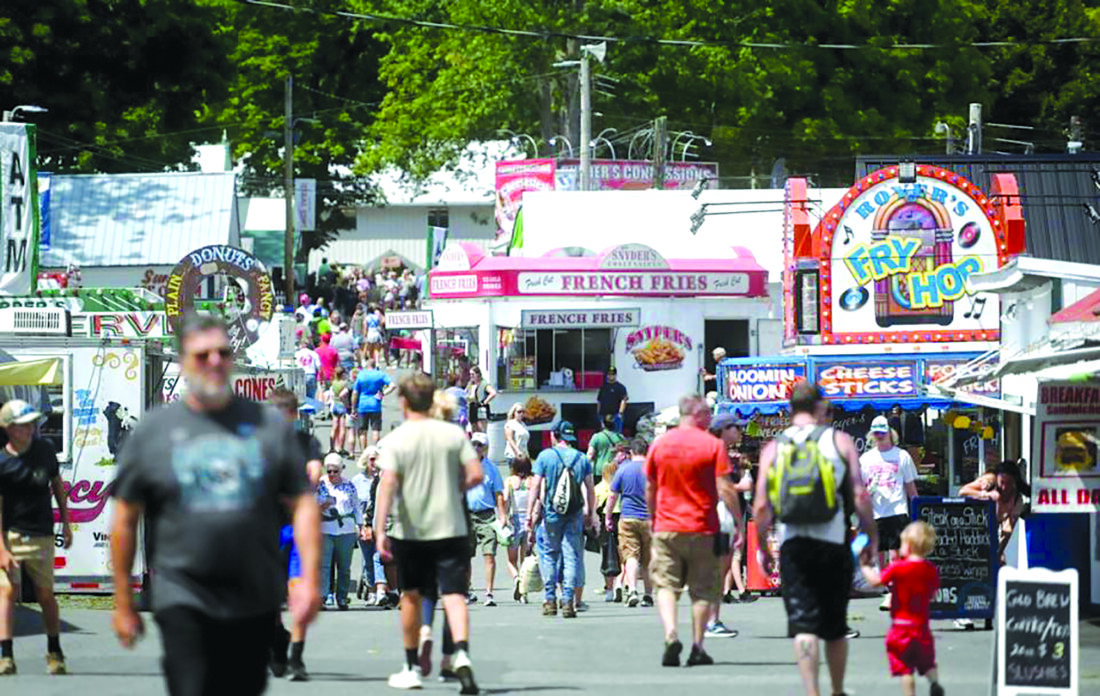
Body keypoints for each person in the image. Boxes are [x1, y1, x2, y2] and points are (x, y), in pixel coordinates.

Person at [110, 312, 321, 696]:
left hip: (253, 592)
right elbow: (125, 517)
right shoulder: (154, 431)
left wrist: (307, 579)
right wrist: (123, 598)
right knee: (193, 686)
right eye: (202, 354)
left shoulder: (267, 427)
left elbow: (303, 504)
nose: (214, 362)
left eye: (222, 353)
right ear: (184, 361)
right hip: (182, 590)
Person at [753, 381, 876, 696]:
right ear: (820, 407)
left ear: (790, 409)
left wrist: (762, 547)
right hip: (833, 542)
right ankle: (837, 690)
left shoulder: (773, 448)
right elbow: (860, 495)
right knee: (835, 625)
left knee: (804, 626)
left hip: (793, 544)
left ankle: (812, 692)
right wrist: (869, 536)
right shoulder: (840, 441)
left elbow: (762, 505)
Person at [373, 373, 482, 693]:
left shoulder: (396, 439)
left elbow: (388, 485)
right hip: (451, 526)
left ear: (403, 402)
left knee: (411, 595)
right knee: (454, 594)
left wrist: (380, 529)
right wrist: (455, 489)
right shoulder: (453, 434)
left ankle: (410, 666)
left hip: (411, 529)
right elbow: (475, 474)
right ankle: (461, 652)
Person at [645, 395, 743, 667]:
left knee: (665, 584)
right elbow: (725, 487)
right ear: (697, 413)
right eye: (708, 413)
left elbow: (650, 487)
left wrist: (654, 518)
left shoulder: (660, 444)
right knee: (702, 590)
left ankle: (671, 633)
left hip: (667, 525)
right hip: (703, 526)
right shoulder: (712, 445)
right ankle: (698, 646)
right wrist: (738, 522)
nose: (711, 417)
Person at [0, 399, 72, 676]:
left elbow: (56, 485)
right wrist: (2, 548)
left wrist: (65, 523)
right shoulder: (3, 462)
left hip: (41, 533)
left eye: (31, 424)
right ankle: (6, 655)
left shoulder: (45, 450)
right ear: (8, 429)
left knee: (44, 594)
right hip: (10, 535)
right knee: (7, 592)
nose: (29, 429)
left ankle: (54, 651)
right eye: (22, 425)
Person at [268, 387, 323, 681]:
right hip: (291, 524)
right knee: (292, 591)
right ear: (294, 413)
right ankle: (292, 653)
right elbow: (314, 473)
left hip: (275, 526)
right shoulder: (305, 441)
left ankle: (285, 647)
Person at [859, 521, 945, 696]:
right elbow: (933, 594)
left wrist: (865, 568)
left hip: (901, 627)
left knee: (906, 668)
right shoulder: (930, 569)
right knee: (927, 662)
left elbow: (877, 581)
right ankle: (934, 681)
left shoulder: (898, 567)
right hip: (921, 627)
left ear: (910, 545)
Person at [525, 421, 596, 619]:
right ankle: (568, 601)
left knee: (549, 555)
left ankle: (549, 600)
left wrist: (530, 515)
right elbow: (590, 489)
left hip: (551, 514)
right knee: (572, 556)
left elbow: (536, 486)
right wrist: (590, 513)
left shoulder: (545, 456)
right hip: (574, 514)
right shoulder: (582, 459)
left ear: (554, 436)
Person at [860, 415, 918, 610]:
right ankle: (891, 590)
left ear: (890, 434)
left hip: (897, 510)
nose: (879, 436)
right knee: (881, 557)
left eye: (883, 432)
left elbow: (911, 488)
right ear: (871, 435)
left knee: (895, 555)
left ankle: (895, 593)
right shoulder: (866, 459)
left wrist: (919, 511)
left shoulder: (902, 456)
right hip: (876, 513)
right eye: (876, 433)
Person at [705, 412, 749, 639]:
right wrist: (739, 524)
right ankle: (711, 620)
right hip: (719, 513)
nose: (739, 432)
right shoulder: (718, 449)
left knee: (717, 569)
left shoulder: (706, 447)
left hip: (705, 513)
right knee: (719, 567)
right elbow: (725, 489)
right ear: (723, 429)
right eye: (736, 427)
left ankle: (709, 619)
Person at [606, 437, 654, 608]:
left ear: (631, 452)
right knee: (649, 559)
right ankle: (648, 595)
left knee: (631, 556)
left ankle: (633, 590)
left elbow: (612, 496)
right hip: (650, 519)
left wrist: (608, 516)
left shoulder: (623, 470)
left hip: (628, 517)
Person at [465, 433, 507, 607]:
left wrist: (502, 515)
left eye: (480, 445)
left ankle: (489, 592)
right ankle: (467, 590)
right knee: (465, 555)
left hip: (487, 515)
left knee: (489, 554)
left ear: (485, 448)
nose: (476, 448)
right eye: (473, 444)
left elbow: (498, 494)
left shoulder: (491, 468)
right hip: (466, 514)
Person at [318, 453, 363, 611]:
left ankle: (342, 597)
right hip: (325, 529)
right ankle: (322, 597)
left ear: (341, 470)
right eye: (329, 471)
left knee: (344, 566)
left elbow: (356, 506)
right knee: (323, 566)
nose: (331, 475)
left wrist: (360, 525)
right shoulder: (319, 485)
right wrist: (323, 505)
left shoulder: (349, 485)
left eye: (335, 471)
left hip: (346, 530)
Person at [352, 446, 389, 605]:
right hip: (364, 525)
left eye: (377, 459)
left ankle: (381, 591)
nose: (375, 462)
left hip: (380, 524)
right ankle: (371, 590)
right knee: (368, 559)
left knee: (378, 557)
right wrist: (358, 526)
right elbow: (353, 505)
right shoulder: (357, 481)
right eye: (372, 459)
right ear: (366, 461)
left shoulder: (384, 478)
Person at [503, 454, 533, 601]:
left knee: (511, 560)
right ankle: (524, 593)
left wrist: (504, 517)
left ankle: (516, 579)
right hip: (529, 521)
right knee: (525, 559)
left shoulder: (509, 481)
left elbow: (505, 499)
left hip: (514, 521)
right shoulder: (532, 481)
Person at [353, 358, 395, 449]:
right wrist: (383, 394)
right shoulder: (380, 374)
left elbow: (355, 393)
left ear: (366, 366)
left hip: (362, 405)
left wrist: (353, 407)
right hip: (375, 404)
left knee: (363, 431)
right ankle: (375, 450)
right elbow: (393, 385)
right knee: (375, 430)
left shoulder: (361, 375)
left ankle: (364, 452)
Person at [587, 413, 626, 481]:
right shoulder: (620, 437)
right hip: (615, 470)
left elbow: (590, 454)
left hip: (600, 471)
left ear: (603, 424)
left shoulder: (597, 437)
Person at [465, 367, 497, 434]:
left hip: (480, 409)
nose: (471, 376)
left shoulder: (483, 384)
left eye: (473, 374)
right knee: (473, 429)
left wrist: (484, 402)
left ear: (478, 374)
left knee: (481, 431)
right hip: (472, 408)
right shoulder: (470, 384)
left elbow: (493, 393)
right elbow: (465, 393)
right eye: (470, 374)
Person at [596, 367, 628, 433]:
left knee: (617, 435)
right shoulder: (603, 387)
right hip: (604, 415)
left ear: (615, 375)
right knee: (605, 434)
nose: (611, 376)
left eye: (612, 374)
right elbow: (599, 401)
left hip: (615, 415)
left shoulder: (620, 387)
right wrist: (598, 413)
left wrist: (620, 413)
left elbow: (624, 400)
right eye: (609, 374)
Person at [329, 366, 351, 455]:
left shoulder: (334, 383)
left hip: (334, 405)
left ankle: (332, 447)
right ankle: (341, 448)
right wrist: (348, 406)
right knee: (342, 428)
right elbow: (344, 396)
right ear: (343, 374)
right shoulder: (344, 383)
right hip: (342, 405)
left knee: (334, 427)